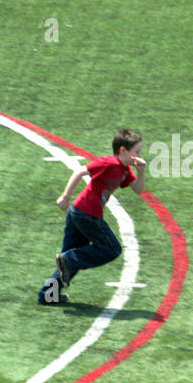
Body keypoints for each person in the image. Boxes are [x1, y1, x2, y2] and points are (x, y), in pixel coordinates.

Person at [39, 129, 147, 304]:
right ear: (122, 151)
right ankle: (67, 261)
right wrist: (65, 197)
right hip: (87, 213)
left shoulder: (125, 170)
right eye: (137, 152)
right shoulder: (109, 163)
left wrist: (141, 171)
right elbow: (79, 172)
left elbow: (139, 189)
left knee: (67, 264)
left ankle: (47, 294)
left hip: (79, 213)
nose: (139, 156)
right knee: (112, 249)